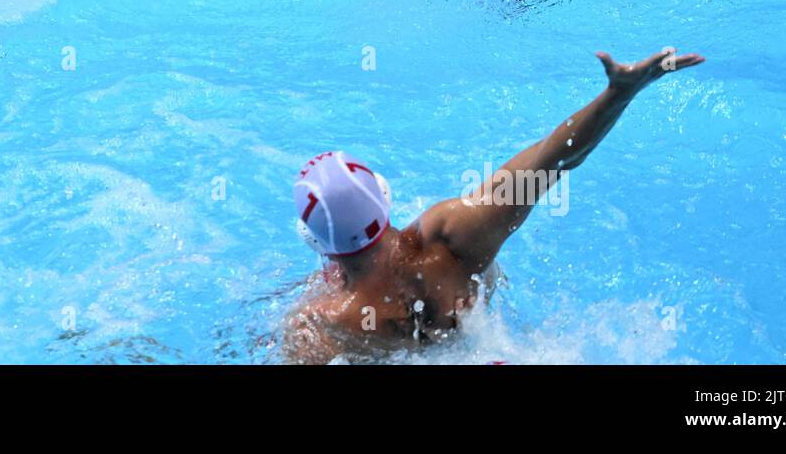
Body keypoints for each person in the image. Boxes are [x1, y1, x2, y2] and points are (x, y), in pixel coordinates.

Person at [282, 46, 705, 364]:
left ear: (317, 243)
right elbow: (555, 157)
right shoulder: (452, 237)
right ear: (383, 199)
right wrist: (618, 93)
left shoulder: (321, 322)